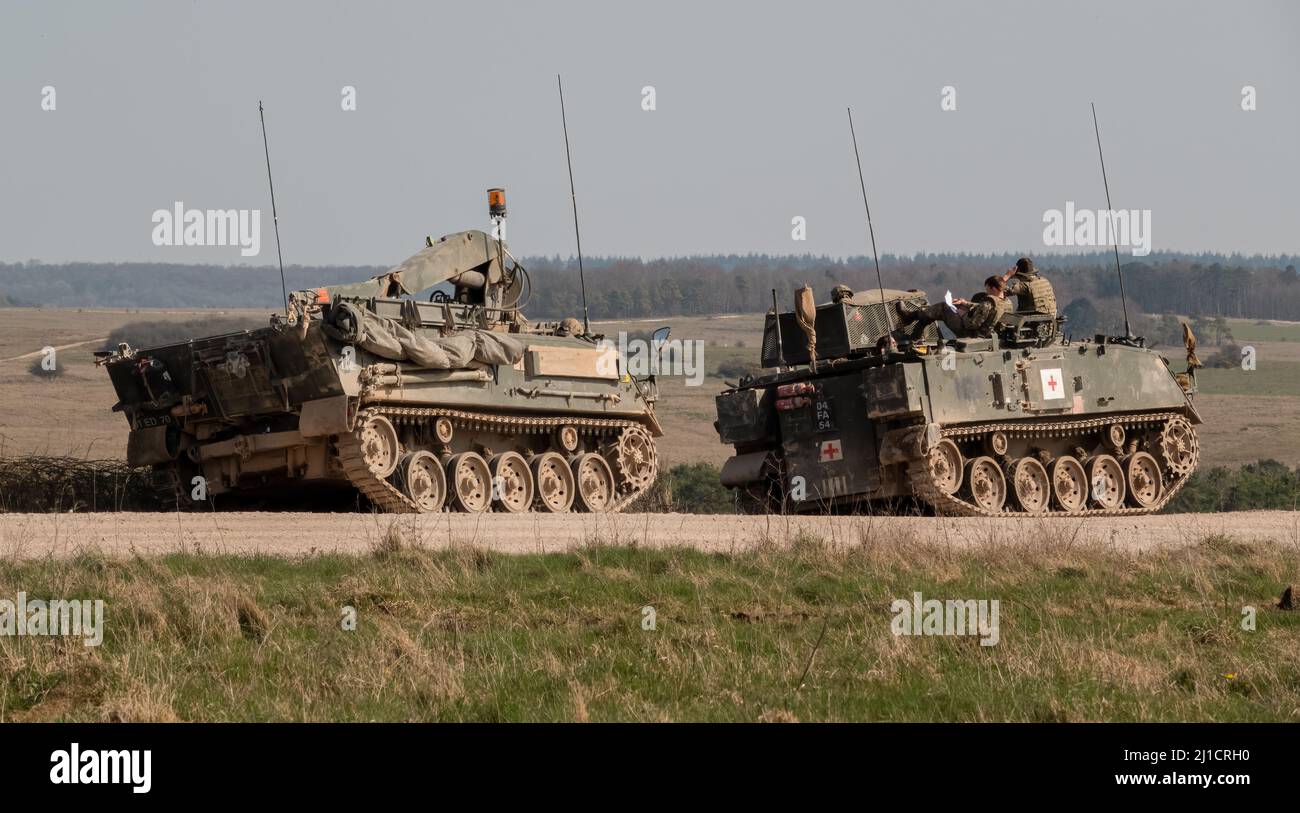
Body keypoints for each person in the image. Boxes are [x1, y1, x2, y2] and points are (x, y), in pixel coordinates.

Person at [910, 276, 1008, 339]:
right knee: (932, 314)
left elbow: (971, 324)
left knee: (943, 308)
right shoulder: (1007, 303)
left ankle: (911, 316)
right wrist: (965, 303)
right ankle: (916, 332)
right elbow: (985, 309)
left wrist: (962, 314)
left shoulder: (988, 303)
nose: (987, 292)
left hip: (972, 335)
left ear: (993, 288)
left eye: (987, 289)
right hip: (990, 336)